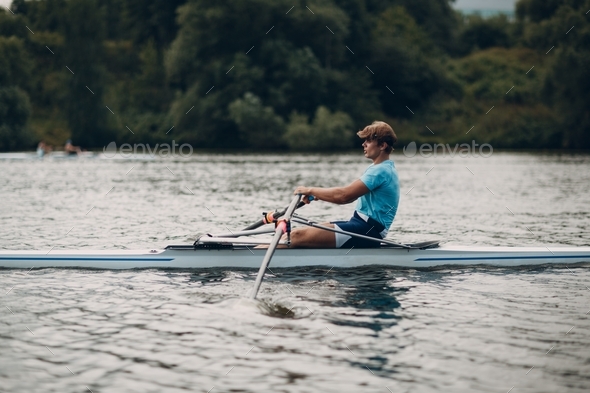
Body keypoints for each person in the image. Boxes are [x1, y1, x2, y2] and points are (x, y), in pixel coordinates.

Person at [290, 121, 400, 248]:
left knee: (296, 236)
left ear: (382, 145)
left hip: (366, 231)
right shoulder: (380, 168)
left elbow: (344, 196)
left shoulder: (380, 171)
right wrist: (319, 195)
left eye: (368, 141)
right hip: (360, 226)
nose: (363, 144)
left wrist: (310, 190)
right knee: (291, 235)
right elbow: (350, 196)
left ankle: (265, 261)